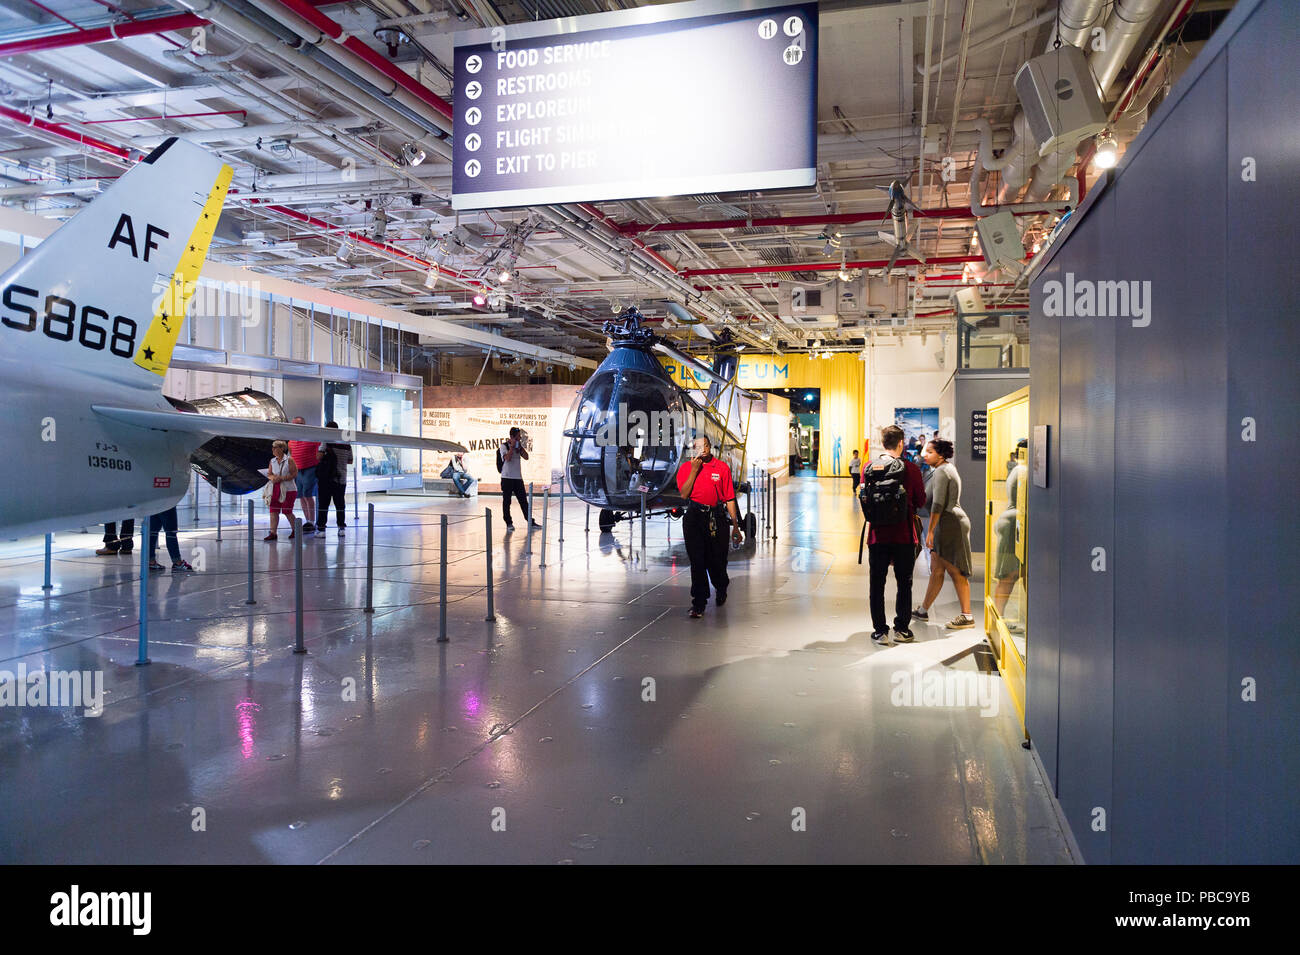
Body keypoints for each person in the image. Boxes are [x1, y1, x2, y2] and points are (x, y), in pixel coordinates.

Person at [862, 425, 927, 645]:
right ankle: (902, 629)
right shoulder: (911, 469)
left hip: (877, 536)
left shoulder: (869, 467)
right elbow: (920, 500)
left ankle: (880, 631)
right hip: (904, 535)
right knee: (904, 582)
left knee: (876, 583)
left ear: (883, 443)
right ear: (901, 443)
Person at [676, 435, 743, 619]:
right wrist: (694, 470)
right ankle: (699, 602)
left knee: (717, 560)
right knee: (697, 562)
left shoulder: (721, 468)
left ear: (710, 447)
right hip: (694, 517)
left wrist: (735, 526)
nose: (703, 449)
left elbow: (729, 497)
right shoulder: (686, 468)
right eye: (698, 446)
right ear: (693, 449)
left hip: (716, 517)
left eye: (705, 445)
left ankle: (721, 586)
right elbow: (684, 493)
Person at [913, 438, 975, 629]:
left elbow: (938, 504)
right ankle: (923, 611)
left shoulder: (942, 472)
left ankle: (967, 616)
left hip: (949, 524)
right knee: (937, 570)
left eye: (930, 452)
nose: (925, 455)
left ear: (940, 455)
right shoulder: (944, 469)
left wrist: (930, 531)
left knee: (955, 570)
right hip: (946, 523)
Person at [498, 426, 539, 531]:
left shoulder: (519, 446)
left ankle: (530, 521)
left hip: (517, 478)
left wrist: (519, 448)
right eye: (517, 437)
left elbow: (526, 457)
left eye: (519, 437)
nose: (519, 438)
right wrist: (511, 447)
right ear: (511, 436)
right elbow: (507, 458)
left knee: (524, 502)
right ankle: (508, 523)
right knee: (507, 501)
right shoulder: (503, 446)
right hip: (507, 478)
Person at [316, 421, 353, 534]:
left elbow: (319, 456)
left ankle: (321, 529)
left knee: (323, 504)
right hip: (341, 478)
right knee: (340, 504)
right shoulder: (346, 443)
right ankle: (341, 527)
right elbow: (350, 460)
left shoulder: (326, 441)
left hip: (326, 479)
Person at [288, 417, 319, 533]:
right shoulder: (291, 441)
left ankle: (312, 521)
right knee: (301, 495)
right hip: (298, 471)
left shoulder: (312, 438)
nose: (298, 426)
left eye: (300, 423)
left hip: (310, 469)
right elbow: (291, 454)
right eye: (296, 424)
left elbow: (320, 451)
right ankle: (308, 521)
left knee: (308, 494)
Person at [264, 440, 299, 541]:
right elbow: (269, 474)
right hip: (275, 489)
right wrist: (273, 478)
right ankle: (273, 533)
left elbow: (294, 474)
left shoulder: (289, 460)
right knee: (273, 511)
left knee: (287, 511)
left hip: (289, 489)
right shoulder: (272, 461)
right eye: (273, 447)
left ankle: (296, 530)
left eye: (275, 447)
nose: (273, 450)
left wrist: (282, 478)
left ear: (282, 448)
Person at [146, 506, 193, 573]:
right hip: (166, 501)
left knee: (152, 531)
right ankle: (177, 562)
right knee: (171, 532)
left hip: (152, 501)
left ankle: (151, 561)